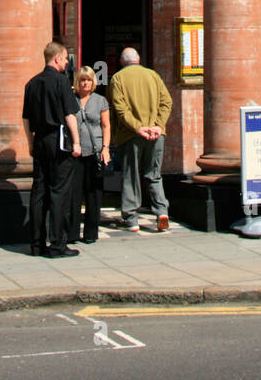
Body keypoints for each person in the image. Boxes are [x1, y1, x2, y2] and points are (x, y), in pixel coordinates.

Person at [22, 40, 82, 257]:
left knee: (38, 192)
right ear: (57, 58)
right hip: (59, 141)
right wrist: (76, 142)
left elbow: (26, 119)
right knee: (59, 193)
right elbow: (69, 114)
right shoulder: (61, 82)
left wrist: (30, 142)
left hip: (39, 141)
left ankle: (37, 244)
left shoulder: (32, 83)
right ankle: (57, 244)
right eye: (65, 58)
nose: (67, 62)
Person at [108, 47, 172, 232]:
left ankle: (131, 218)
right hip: (155, 134)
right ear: (139, 58)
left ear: (121, 62)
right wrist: (158, 125)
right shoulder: (153, 75)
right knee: (154, 175)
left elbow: (121, 110)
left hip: (131, 136)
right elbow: (166, 101)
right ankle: (161, 212)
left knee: (131, 176)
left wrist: (138, 127)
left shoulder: (118, 79)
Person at [66, 66, 111, 244]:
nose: (85, 83)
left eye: (89, 80)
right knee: (74, 193)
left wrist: (106, 148)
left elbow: (106, 125)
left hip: (95, 151)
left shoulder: (100, 100)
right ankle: (72, 232)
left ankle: (91, 233)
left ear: (94, 82)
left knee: (94, 193)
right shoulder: (71, 99)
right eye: (83, 80)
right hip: (76, 152)